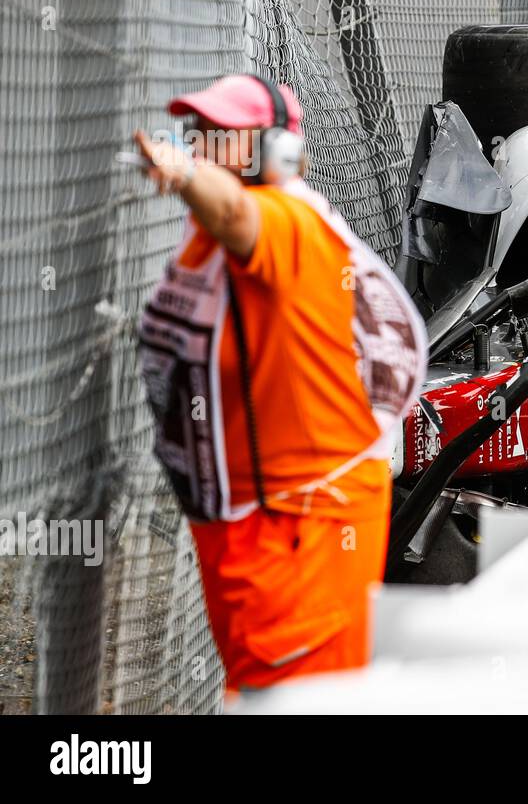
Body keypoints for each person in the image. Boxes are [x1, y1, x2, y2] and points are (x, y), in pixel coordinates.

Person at [134, 74, 426, 692]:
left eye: (221, 137)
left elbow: (239, 212)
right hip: (253, 525)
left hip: (307, 525)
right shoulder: (212, 239)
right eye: (198, 133)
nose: (202, 146)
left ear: (275, 153)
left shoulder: (289, 222)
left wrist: (184, 174)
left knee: (296, 699)